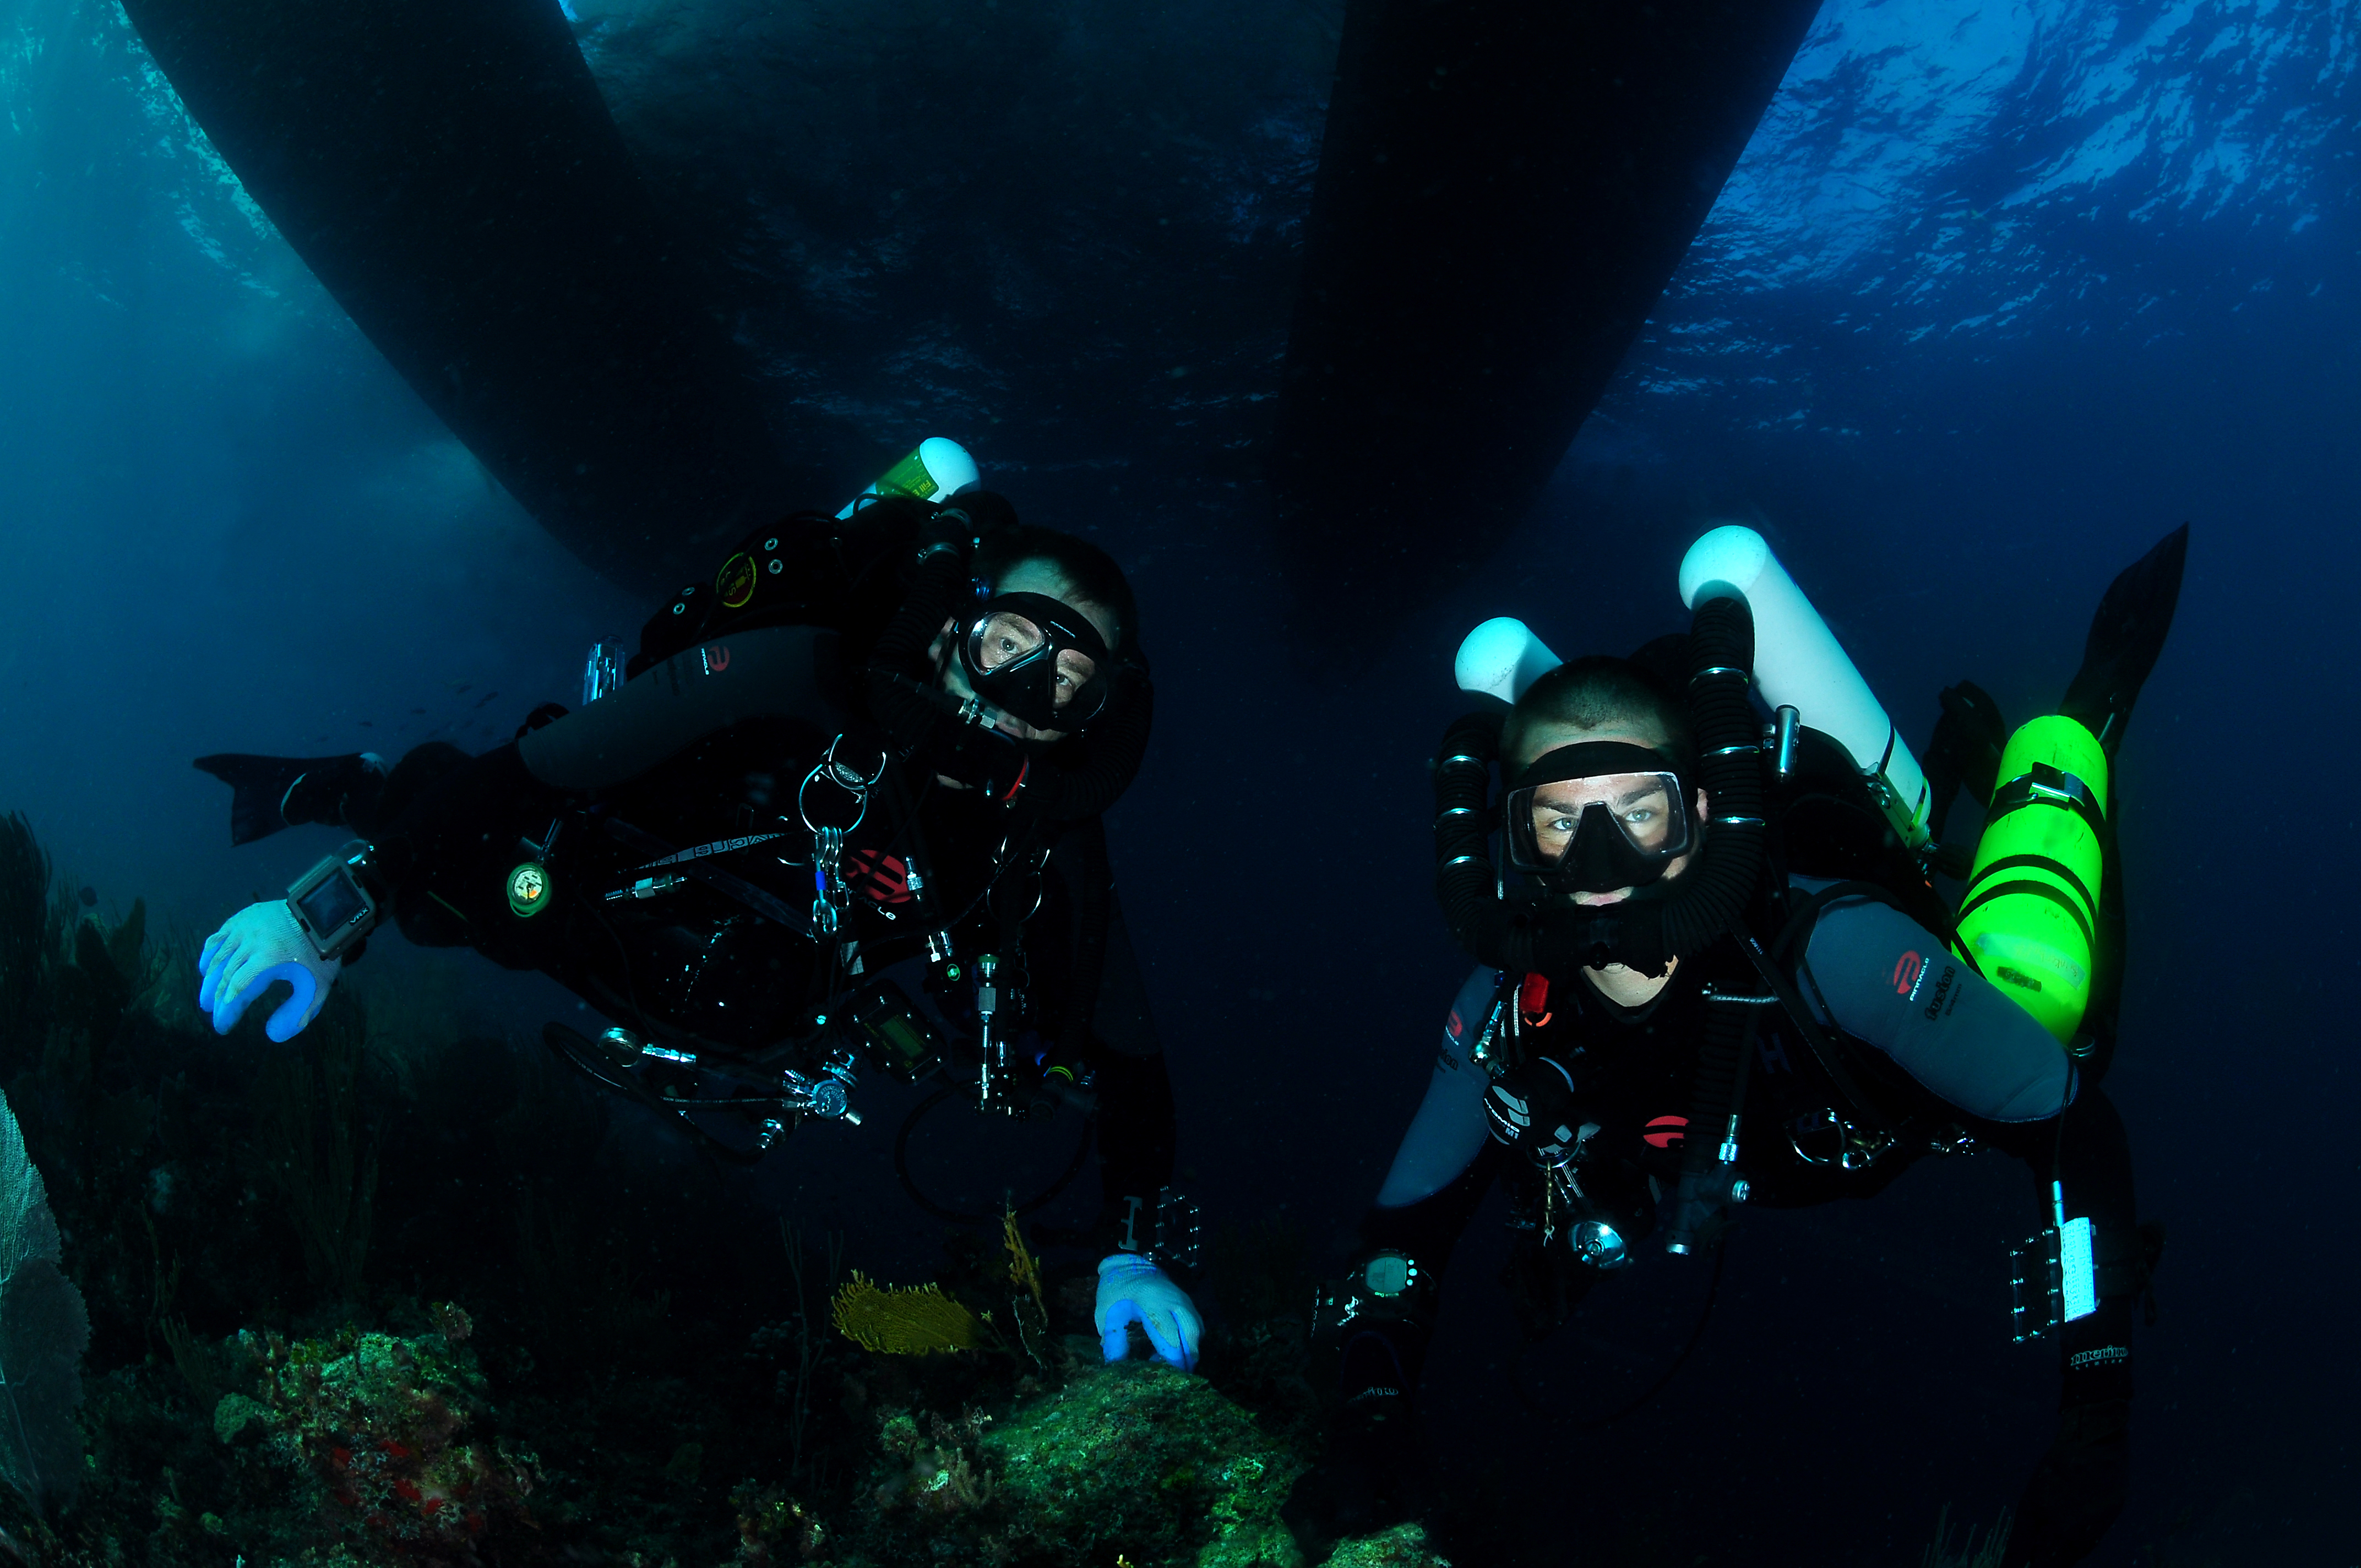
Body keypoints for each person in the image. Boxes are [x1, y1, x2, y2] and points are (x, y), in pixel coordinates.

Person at [1294, 529, 2186, 1566]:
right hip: (1735, 1155)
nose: (1599, 869)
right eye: (1556, 825)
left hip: (1894, 1083)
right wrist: (1370, 1418)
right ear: (1508, 846)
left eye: (1639, 814)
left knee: (2063, 1023)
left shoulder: (1835, 952)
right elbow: (1405, 1226)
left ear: (1703, 815)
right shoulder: (1509, 1005)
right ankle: (1942, 781)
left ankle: (2078, 718)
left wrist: (2096, 1415)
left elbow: (2069, 1117)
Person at [189, 476, 1203, 1372]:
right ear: (952, 626)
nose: (1019, 701)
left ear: (1097, 719)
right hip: (612, 879)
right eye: (1010, 647)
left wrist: (1133, 1255)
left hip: (736, 1000)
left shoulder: (1047, 838)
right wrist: (324, 917)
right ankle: (360, 787)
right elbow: (534, 772)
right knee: (465, 905)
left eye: (1066, 686)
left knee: (727, 998)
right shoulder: (801, 672)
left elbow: (1129, 1055)